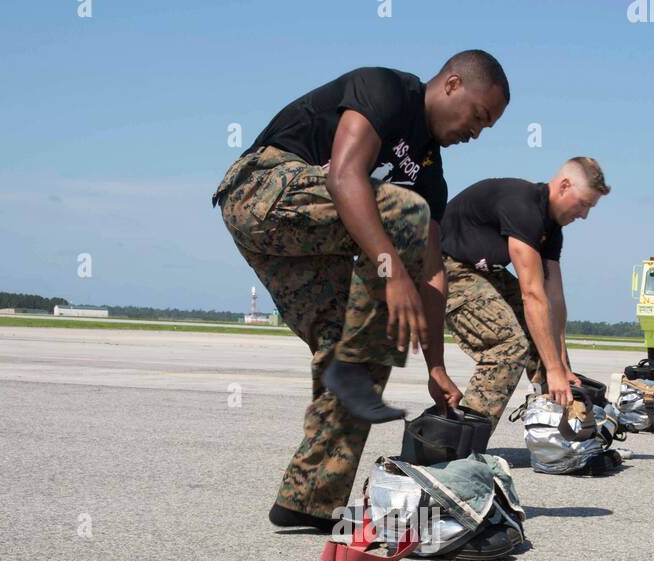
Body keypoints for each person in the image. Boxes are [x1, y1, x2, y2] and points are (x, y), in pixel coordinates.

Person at [213, 51, 510, 532]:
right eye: (479, 116)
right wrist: (391, 273)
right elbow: (344, 175)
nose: (477, 132)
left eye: (488, 128)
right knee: (402, 211)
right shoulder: (389, 90)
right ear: (453, 84)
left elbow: (433, 273)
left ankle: (308, 502)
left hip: (302, 244)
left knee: (350, 346)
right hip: (261, 190)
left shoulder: (430, 174)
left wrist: (434, 365)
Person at [439, 158, 610, 425]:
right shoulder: (524, 207)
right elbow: (532, 294)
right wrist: (553, 368)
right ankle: (462, 438)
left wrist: (562, 365)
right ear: (564, 186)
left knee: (541, 335)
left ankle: (554, 429)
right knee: (508, 345)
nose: (584, 215)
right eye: (584, 204)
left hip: (481, 272)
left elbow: (554, 300)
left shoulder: (552, 227)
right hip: (442, 266)